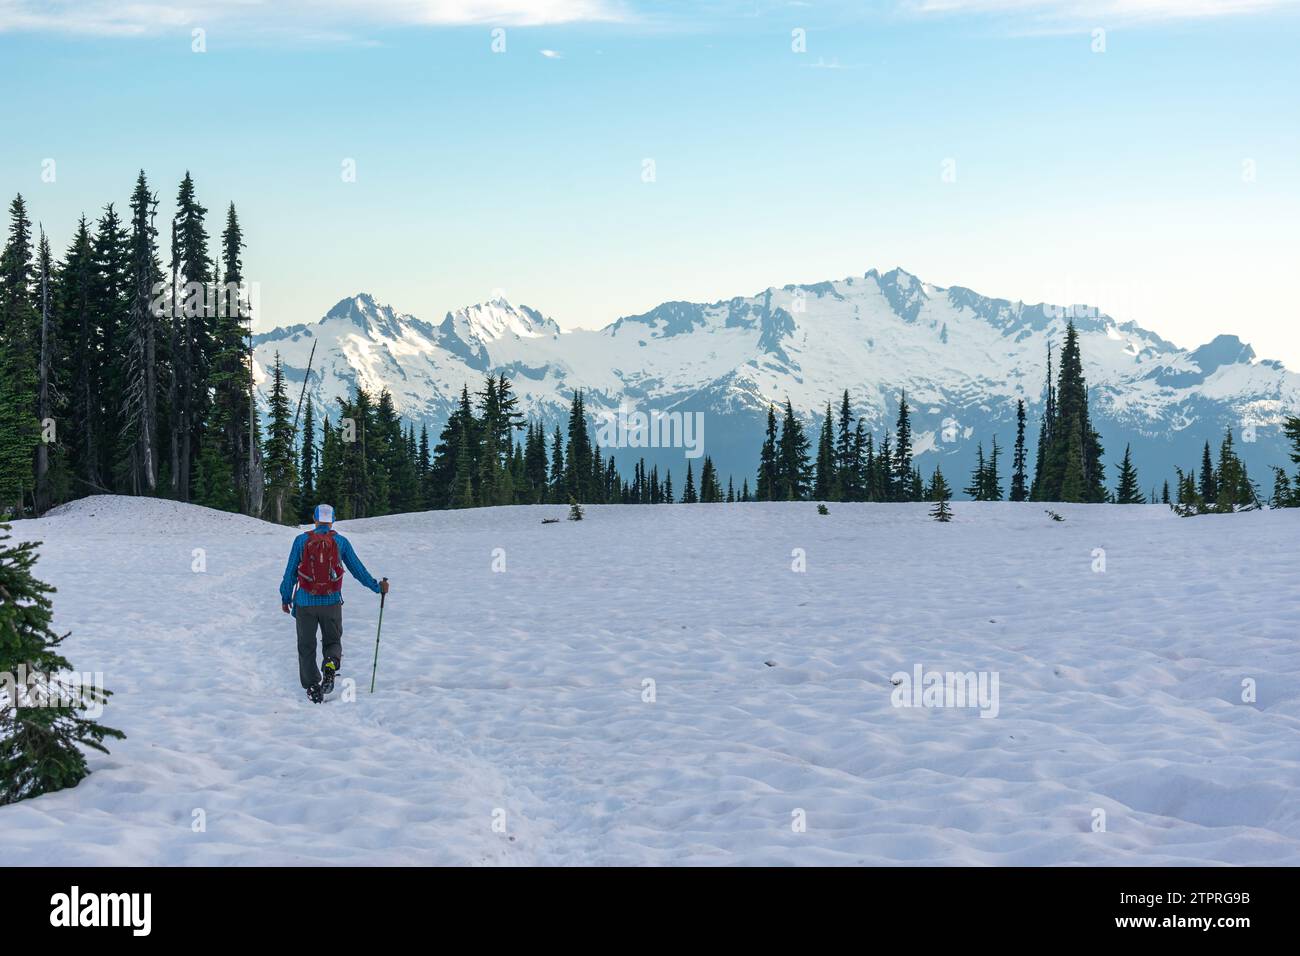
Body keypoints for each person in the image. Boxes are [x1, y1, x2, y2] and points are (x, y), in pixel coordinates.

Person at [280, 503, 389, 703]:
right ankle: (330, 663)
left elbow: (290, 573)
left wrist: (286, 597)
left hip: (305, 602)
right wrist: (376, 586)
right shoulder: (341, 542)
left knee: (306, 645)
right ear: (332, 520)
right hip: (331, 602)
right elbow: (358, 570)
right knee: (332, 641)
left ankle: (313, 687)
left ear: (314, 520)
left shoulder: (300, 541)